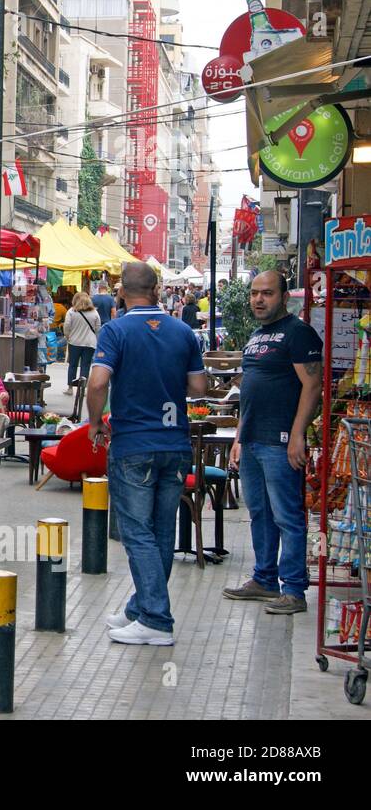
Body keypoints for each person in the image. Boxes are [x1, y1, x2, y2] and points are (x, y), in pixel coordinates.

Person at [87, 262, 206, 646]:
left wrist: (94, 422)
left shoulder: (115, 330)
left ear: (121, 291)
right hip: (175, 444)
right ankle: (141, 608)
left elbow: (98, 382)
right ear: (157, 289)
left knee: (137, 533)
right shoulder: (184, 332)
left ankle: (156, 619)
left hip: (134, 445)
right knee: (159, 532)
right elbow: (198, 387)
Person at [223, 270, 323, 614]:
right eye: (254, 293)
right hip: (252, 440)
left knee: (287, 516)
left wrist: (297, 435)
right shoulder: (256, 335)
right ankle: (264, 579)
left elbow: (312, 387)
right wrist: (239, 437)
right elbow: (250, 391)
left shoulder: (299, 333)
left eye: (266, 293)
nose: (258, 299)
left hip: (281, 442)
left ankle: (293, 589)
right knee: (260, 514)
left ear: (283, 297)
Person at [63, 292, 100, 393]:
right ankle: (82, 389)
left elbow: (67, 326)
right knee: (85, 365)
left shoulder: (71, 311)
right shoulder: (94, 312)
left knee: (73, 365)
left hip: (74, 342)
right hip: (90, 343)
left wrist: (68, 336)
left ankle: (70, 388)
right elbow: (98, 328)